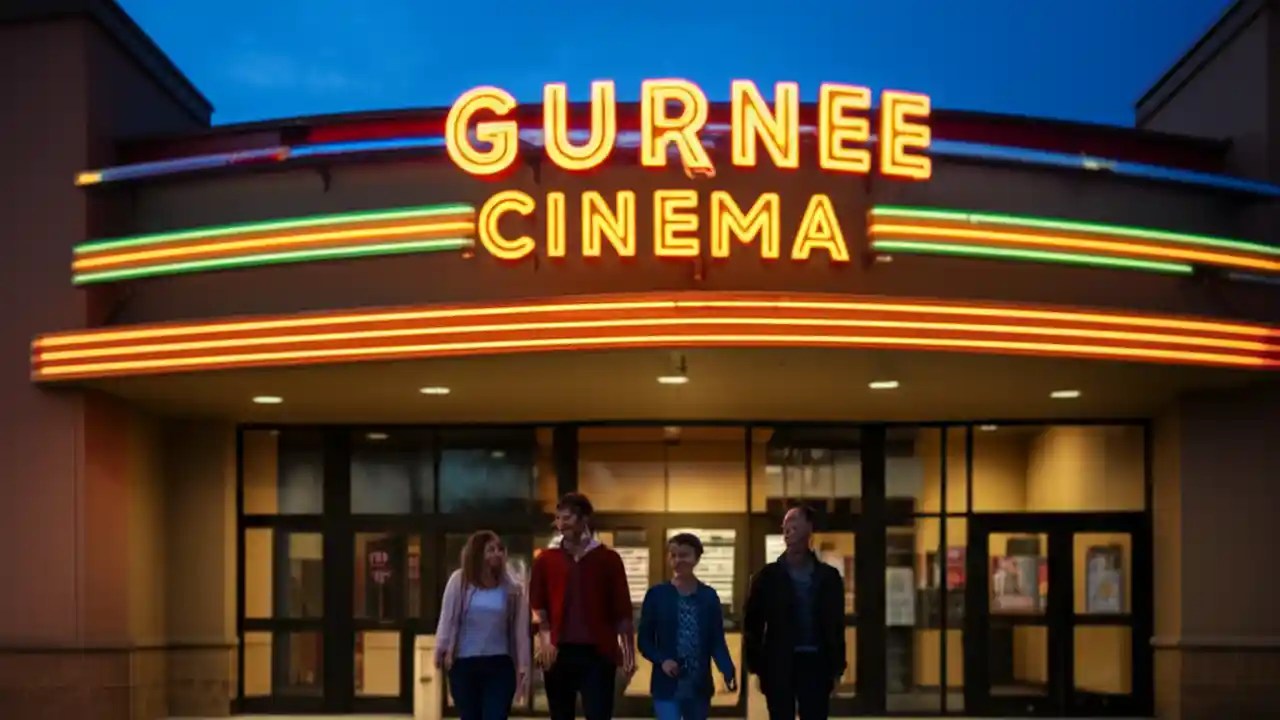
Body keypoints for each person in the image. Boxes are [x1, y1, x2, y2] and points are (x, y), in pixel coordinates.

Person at [530, 492, 636, 720]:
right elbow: (537, 605)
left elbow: (622, 609)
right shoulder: (547, 560)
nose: (561, 525)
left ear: (584, 519)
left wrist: (629, 654)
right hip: (558, 652)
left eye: (567, 518)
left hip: (599, 653)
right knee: (560, 715)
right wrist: (545, 640)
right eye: (558, 519)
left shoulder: (608, 559)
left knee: (599, 714)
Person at [743, 505, 846, 720]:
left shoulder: (828, 577)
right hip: (779, 662)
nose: (788, 529)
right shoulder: (767, 577)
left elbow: (836, 624)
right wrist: (756, 665)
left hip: (816, 662)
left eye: (794, 522)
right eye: (785, 525)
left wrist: (837, 667)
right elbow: (752, 622)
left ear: (809, 527)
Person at [638, 532, 738, 720]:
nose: (677, 560)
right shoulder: (657, 595)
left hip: (698, 682)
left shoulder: (708, 597)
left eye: (684, 555)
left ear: (696, 558)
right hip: (666, 682)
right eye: (673, 555)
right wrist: (662, 660)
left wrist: (727, 669)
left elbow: (716, 639)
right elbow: (644, 640)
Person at [435, 531, 531, 720]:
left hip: (499, 664)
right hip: (464, 665)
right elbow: (447, 618)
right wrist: (440, 649)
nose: (497, 554)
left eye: (500, 550)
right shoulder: (459, 581)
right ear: (477, 553)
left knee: (496, 715)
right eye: (491, 550)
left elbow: (520, 630)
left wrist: (523, 665)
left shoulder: (511, 587)